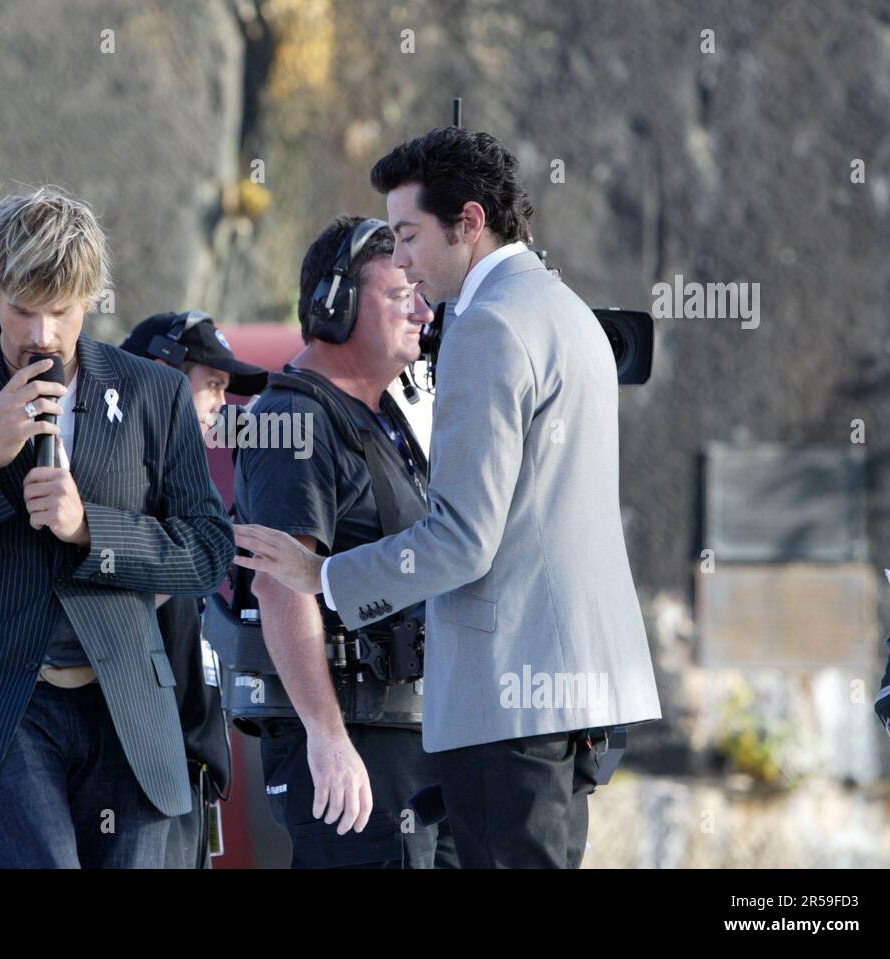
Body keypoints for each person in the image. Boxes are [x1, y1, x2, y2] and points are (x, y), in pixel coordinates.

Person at [235, 129, 663, 868]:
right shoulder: (560, 311)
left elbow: (465, 538)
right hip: (552, 697)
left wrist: (328, 578)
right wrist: (326, 733)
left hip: (506, 699)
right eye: (392, 263)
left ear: (468, 223)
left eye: (410, 238)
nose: (410, 273)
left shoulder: (489, 323)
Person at [0, 186, 233, 868]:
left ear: (90, 298)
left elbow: (207, 552)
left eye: (61, 311)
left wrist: (92, 531)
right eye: (23, 309)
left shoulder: (154, 392)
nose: (41, 335)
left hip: (129, 714)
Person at [228, 215, 458, 868]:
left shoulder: (384, 419)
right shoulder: (293, 419)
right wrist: (327, 738)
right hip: (358, 744)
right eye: (398, 295)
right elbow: (279, 585)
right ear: (337, 307)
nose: (421, 309)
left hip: (414, 739)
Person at [119, 310, 268, 868]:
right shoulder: (111, 480)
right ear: (160, 373)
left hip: (192, 769)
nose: (221, 404)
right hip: (138, 771)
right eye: (212, 384)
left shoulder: (185, 489)